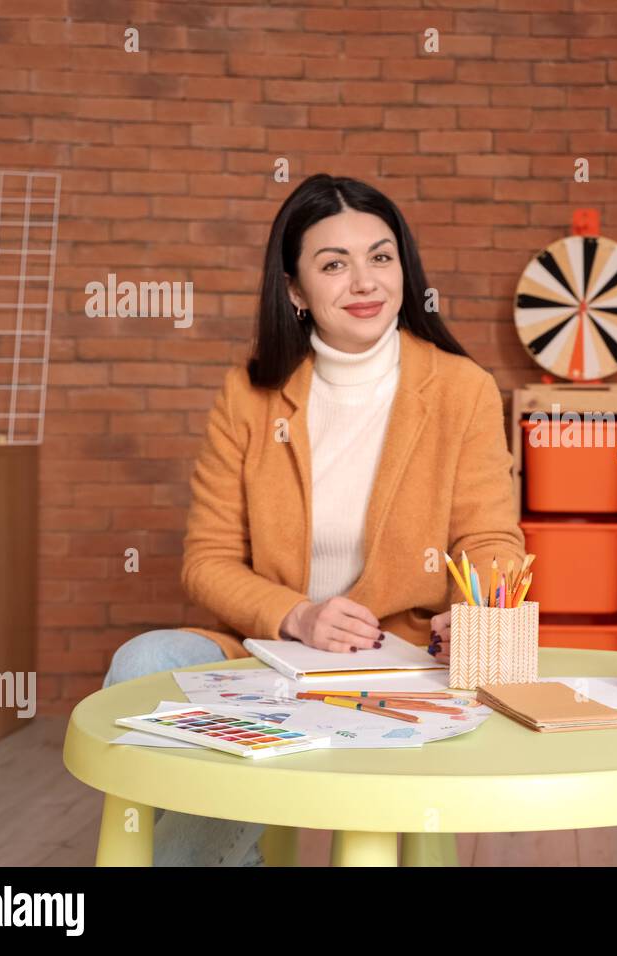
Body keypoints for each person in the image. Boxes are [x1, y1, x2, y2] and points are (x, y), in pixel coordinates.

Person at [103, 174, 525, 865]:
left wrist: (477, 612)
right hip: (271, 655)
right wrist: (298, 616)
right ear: (295, 290)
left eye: (380, 257)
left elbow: (489, 537)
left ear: (404, 269)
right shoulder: (248, 395)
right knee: (143, 661)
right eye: (334, 264)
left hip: (401, 661)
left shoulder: (462, 388)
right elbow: (207, 562)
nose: (365, 281)